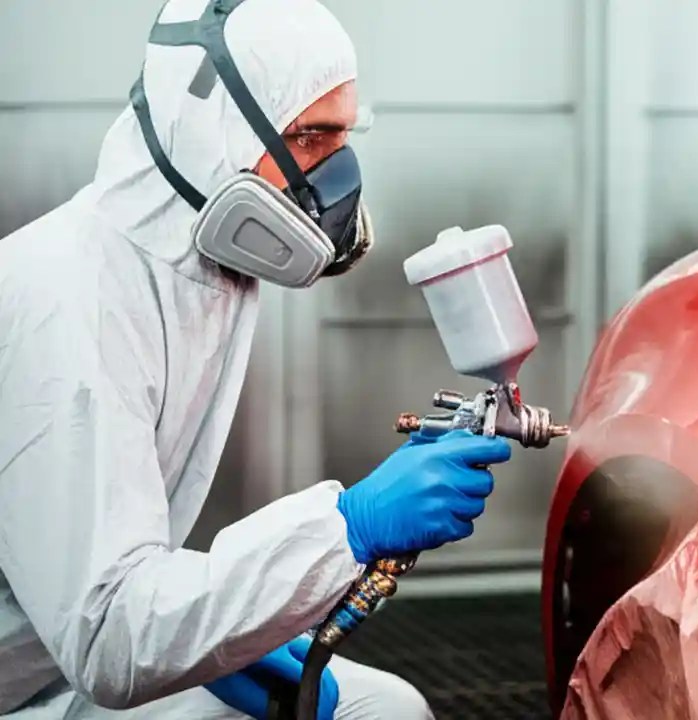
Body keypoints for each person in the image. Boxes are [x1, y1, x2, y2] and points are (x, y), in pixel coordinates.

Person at [0, 0, 510, 717]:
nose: (335, 180)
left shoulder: (198, 271)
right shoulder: (65, 299)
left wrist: (233, 633)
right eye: (311, 138)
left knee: (377, 707)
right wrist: (349, 525)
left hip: (65, 668)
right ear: (215, 133)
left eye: (344, 139)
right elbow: (110, 635)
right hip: (39, 685)